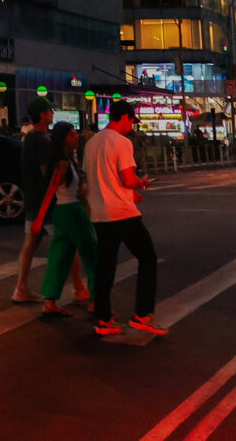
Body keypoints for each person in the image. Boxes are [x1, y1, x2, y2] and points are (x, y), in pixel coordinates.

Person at [83, 100, 166, 338]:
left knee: (105, 266)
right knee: (148, 258)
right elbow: (127, 178)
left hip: (100, 213)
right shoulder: (122, 142)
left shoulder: (91, 143)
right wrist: (141, 183)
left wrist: (130, 192)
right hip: (122, 213)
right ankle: (142, 314)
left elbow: (101, 178)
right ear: (124, 118)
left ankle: (103, 319)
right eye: (131, 121)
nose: (131, 126)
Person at [14, 98, 87, 304]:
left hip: (32, 201)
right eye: (49, 111)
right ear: (44, 115)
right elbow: (49, 174)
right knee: (67, 244)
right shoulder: (43, 141)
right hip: (49, 204)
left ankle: (21, 287)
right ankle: (79, 287)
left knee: (30, 244)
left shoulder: (29, 139)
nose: (52, 114)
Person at [34, 122, 97, 317]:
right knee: (92, 254)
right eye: (71, 134)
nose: (76, 137)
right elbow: (51, 189)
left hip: (61, 212)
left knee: (60, 255)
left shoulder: (66, 160)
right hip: (72, 211)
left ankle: (50, 300)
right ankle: (97, 300)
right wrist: (39, 218)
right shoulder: (62, 162)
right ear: (63, 139)